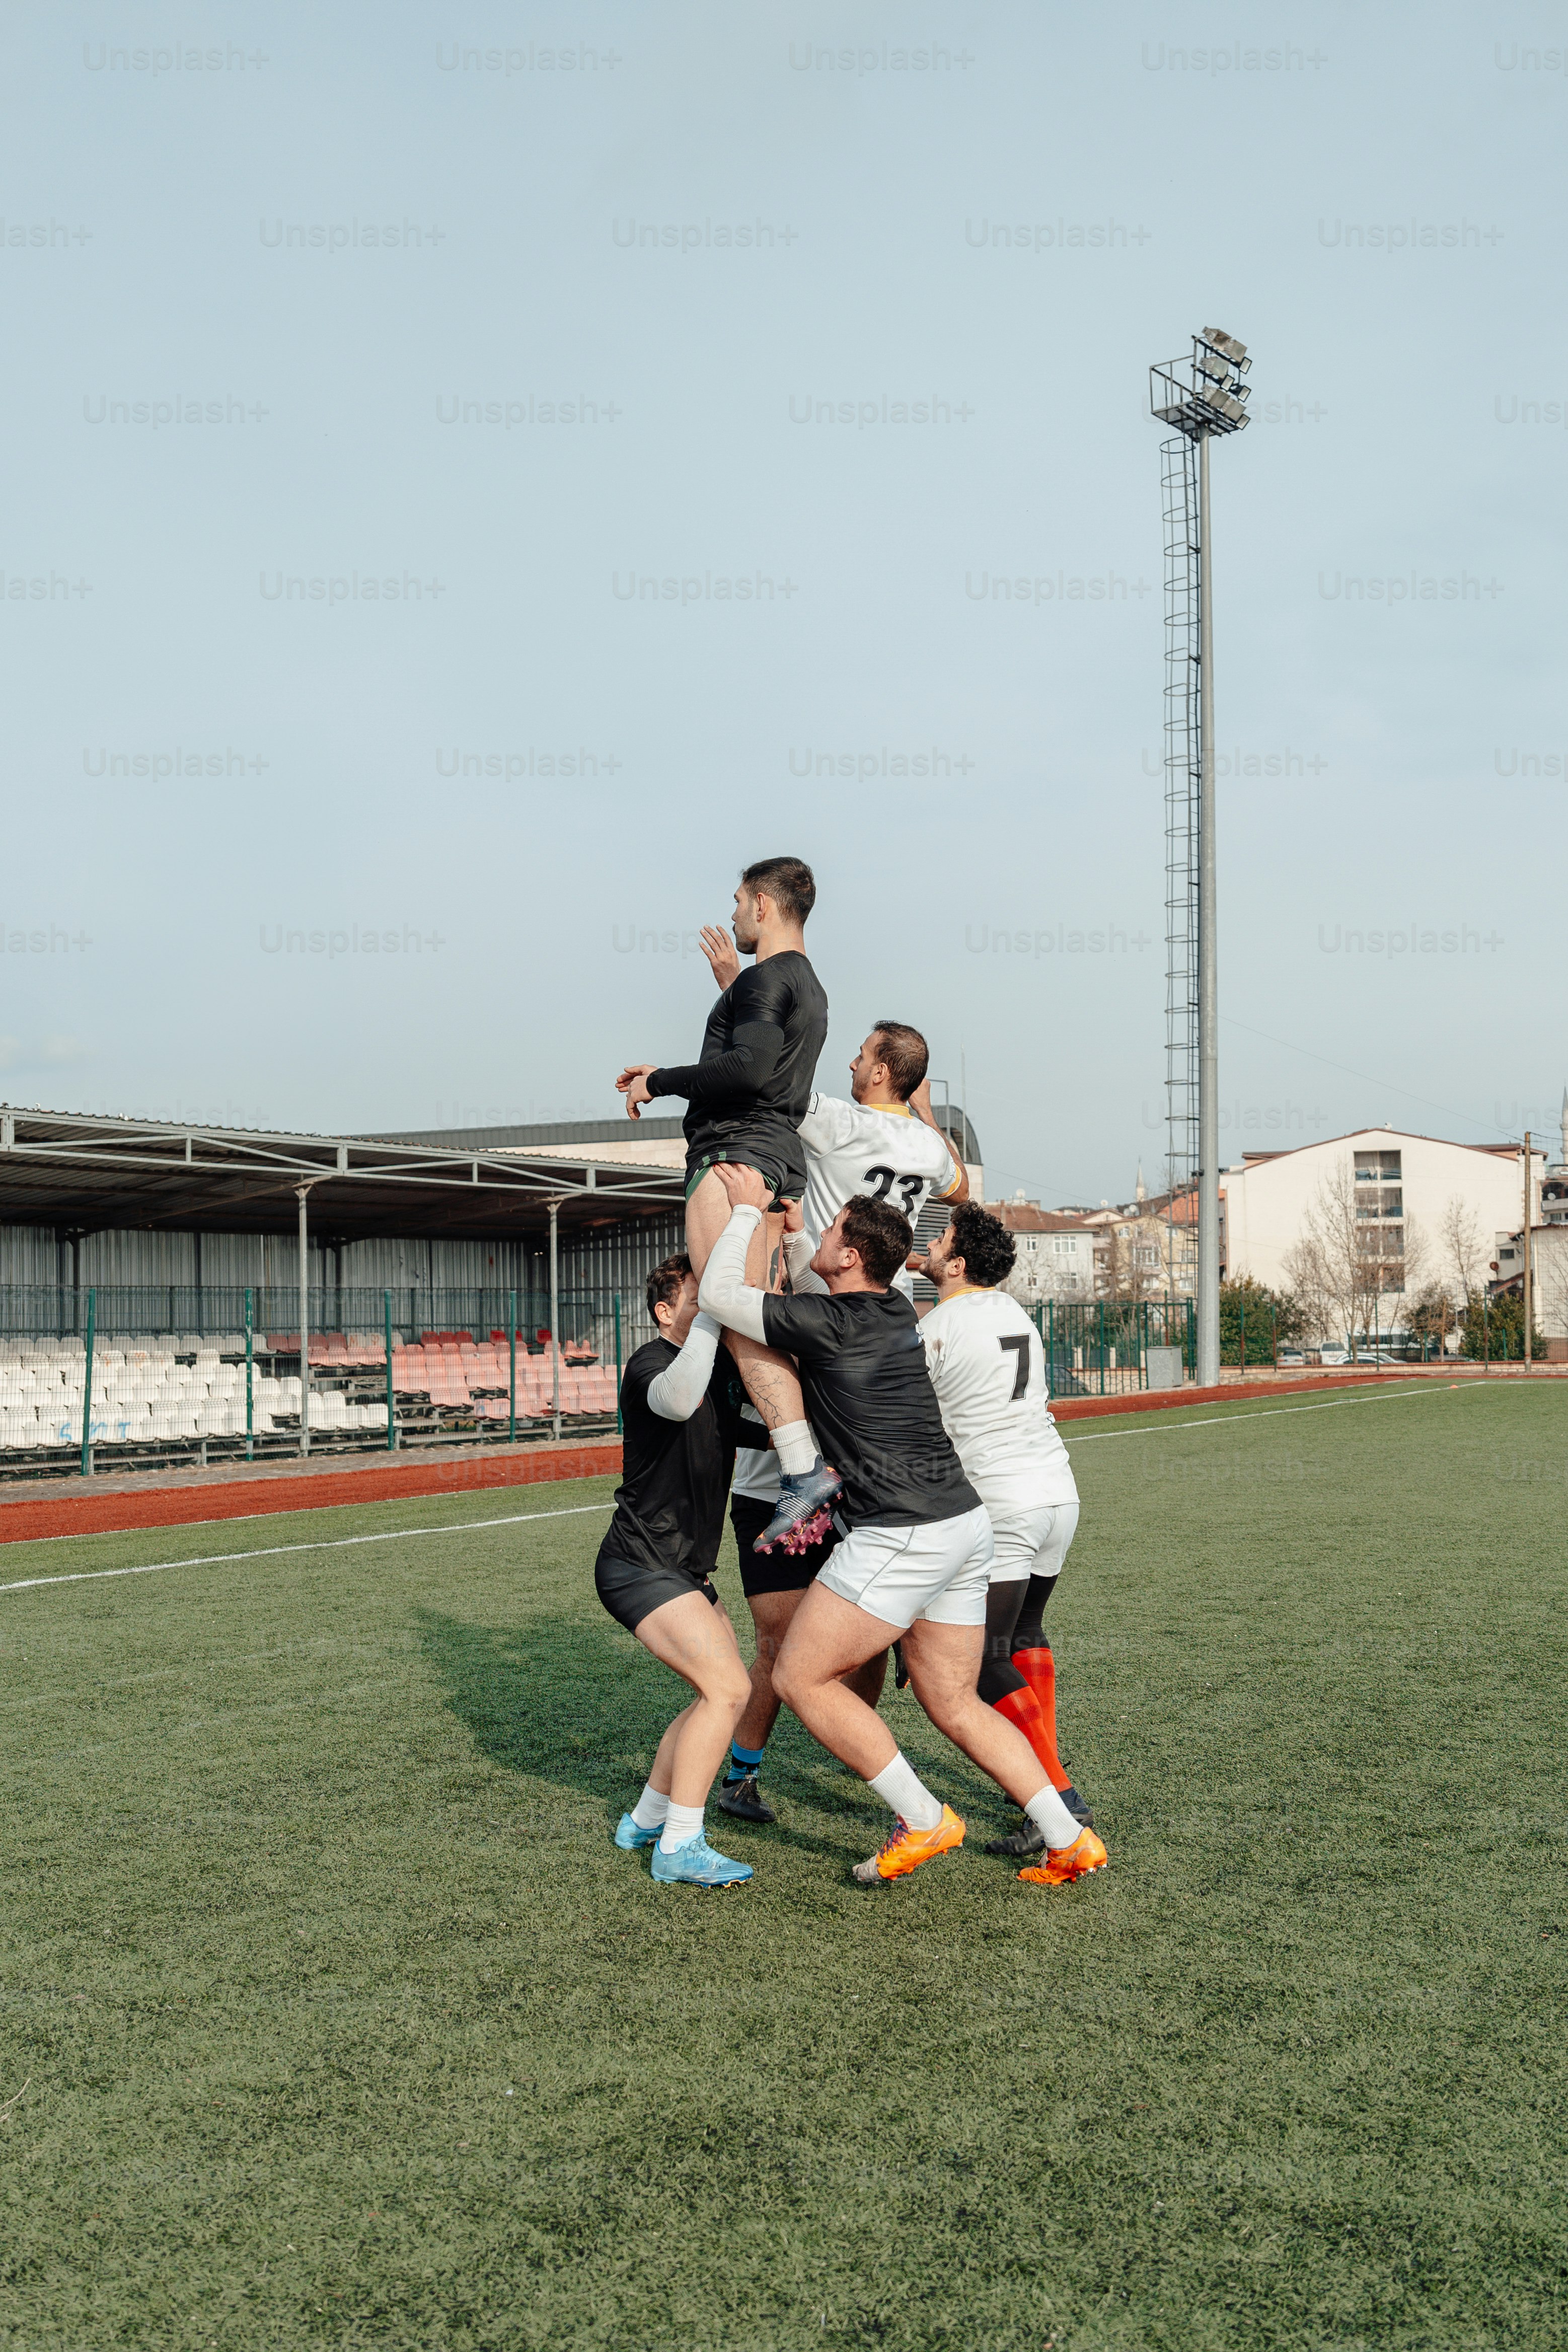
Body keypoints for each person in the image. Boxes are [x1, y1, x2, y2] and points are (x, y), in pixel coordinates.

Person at [698, 1165, 1108, 1889]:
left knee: (798, 1675)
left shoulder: (831, 1323)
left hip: (903, 1531)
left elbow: (720, 1298)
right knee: (949, 1699)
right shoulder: (893, 1308)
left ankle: (922, 1817)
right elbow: (826, 1293)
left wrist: (742, 1214)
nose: (819, 1235)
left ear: (851, 1256)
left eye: (829, 1233)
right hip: (964, 1522)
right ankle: (1067, 1835)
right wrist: (798, 1244)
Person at [716, 1020, 966, 1820]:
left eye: (862, 1053)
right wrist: (921, 1112)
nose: (850, 1060)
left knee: (820, 1653)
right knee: (783, 1645)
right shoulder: (929, 1156)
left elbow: (770, 1084)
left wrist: (737, 1000)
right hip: (844, 1364)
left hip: (822, 1346)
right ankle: (742, 1773)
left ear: (880, 1071)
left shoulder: (839, 1121)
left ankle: (886, 1790)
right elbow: (957, 1183)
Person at [616, 857, 837, 1550]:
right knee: (754, 1313)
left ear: (764, 906)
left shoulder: (769, 978)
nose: (735, 913)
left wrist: (660, 1080)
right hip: (769, 1153)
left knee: (733, 1309)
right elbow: (762, 1056)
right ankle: (808, 1460)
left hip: (733, 1153)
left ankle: (803, 1468)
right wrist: (731, 989)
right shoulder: (799, 982)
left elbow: (746, 1068)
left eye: (740, 901)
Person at [914, 1202, 1092, 1863]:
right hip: (1056, 1492)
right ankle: (1044, 1796)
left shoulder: (935, 1327)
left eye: (939, 1241)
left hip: (1004, 1501)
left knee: (984, 1660)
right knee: (1023, 1637)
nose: (928, 1245)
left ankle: (1056, 1796)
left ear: (956, 1264)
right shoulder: (1011, 1310)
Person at [595, 1253, 773, 1889]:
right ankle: (680, 1843)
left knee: (719, 1692)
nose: (712, 1307)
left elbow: (754, 1432)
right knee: (728, 1690)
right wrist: (708, 1320)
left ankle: (645, 1818)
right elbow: (677, 1404)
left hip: (684, 1568)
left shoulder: (718, 1371)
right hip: (639, 1563)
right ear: (664, 1311)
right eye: (698, 1297)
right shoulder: (652, 1362)